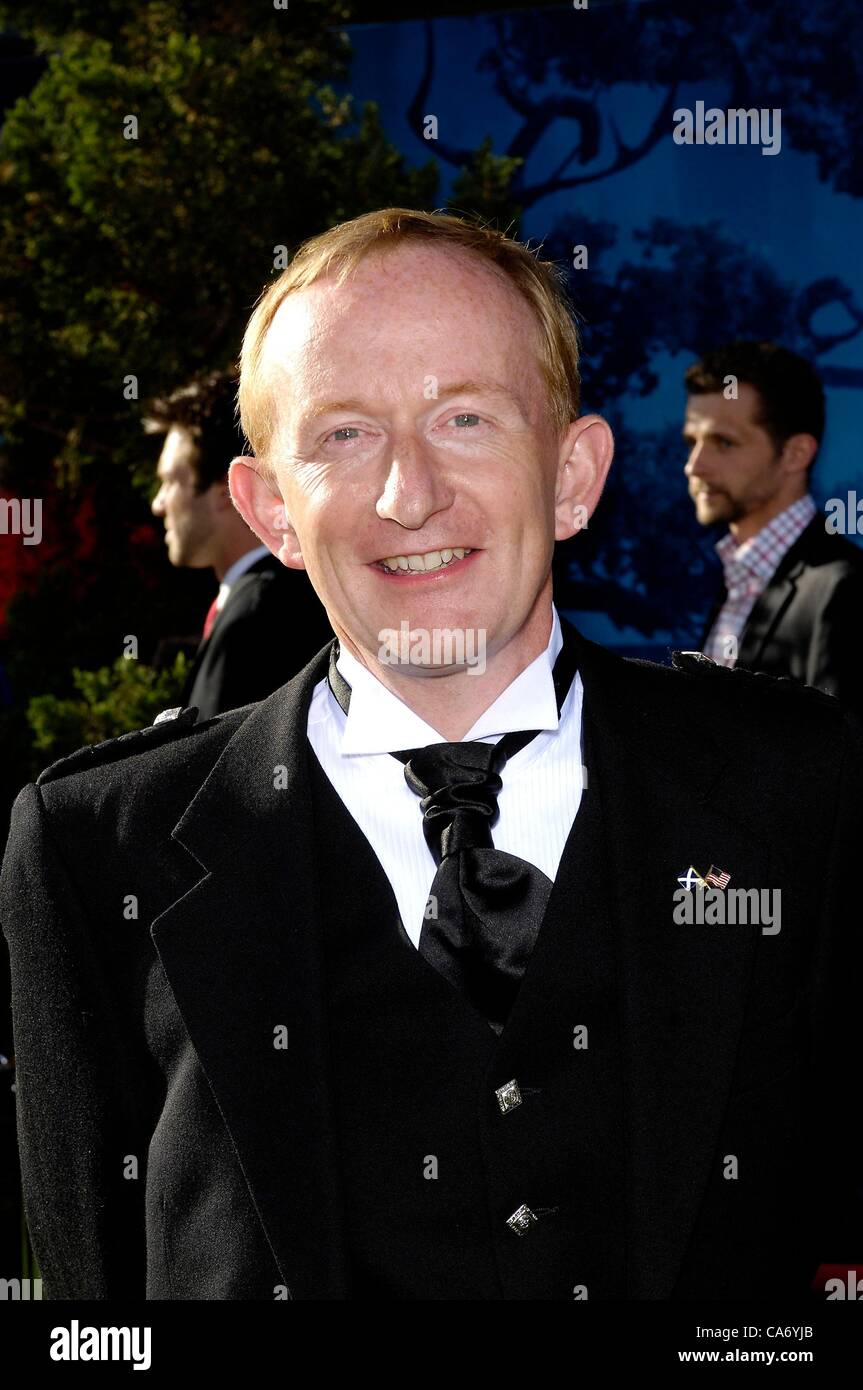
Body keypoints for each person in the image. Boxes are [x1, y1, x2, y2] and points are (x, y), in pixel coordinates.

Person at [1, 210, 860, 1301]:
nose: (411, 495)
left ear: (572, 474)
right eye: (344, 435)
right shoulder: (94, 854)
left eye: (463, 418)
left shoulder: (794, 793)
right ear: (271, 512)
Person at [683, 341, 863, 711]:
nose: (695, 466)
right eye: (693, 442)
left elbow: (842, 761)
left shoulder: (844, 588)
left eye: (724, 442)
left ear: (795, 454)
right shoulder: (738, 575)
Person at [147, 371, 330, 718]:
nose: (158, 503)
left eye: (171, 481)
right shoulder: (281, 597)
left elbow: (224, 768)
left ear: (224, 488)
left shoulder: (261, 614)